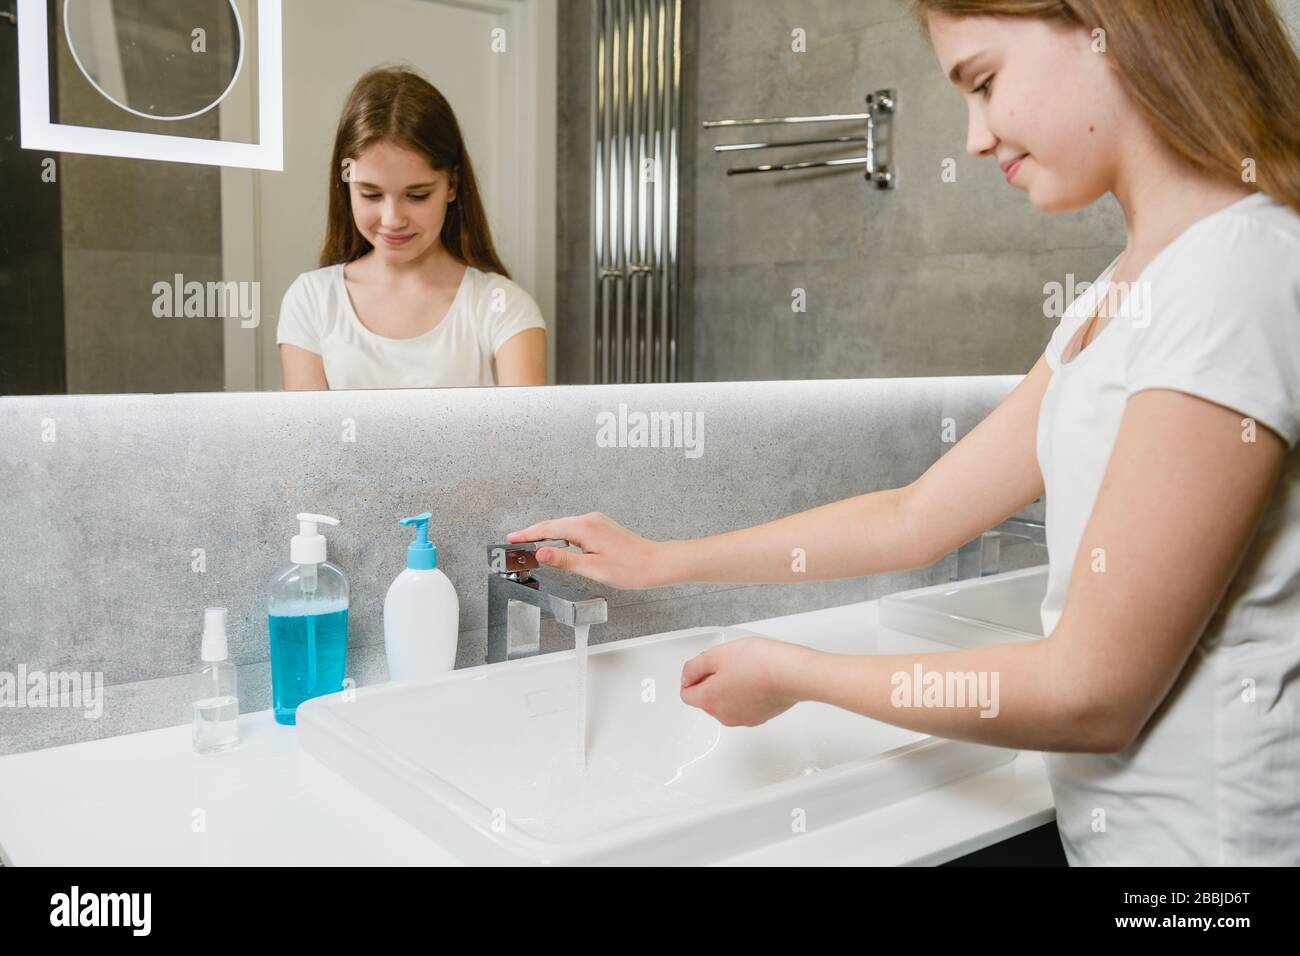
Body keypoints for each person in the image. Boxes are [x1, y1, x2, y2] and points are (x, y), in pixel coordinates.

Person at [508, 0, 1300, 865]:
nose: (974, 137)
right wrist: (667, 558)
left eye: (986, 82)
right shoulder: (1125, 290)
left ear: (1114, 27)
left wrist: (801, 675)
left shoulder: (1234, 274)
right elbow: (914, 516)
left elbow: (1090, 692)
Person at [277, 67, 546, 389]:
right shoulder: (311, 299)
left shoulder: (502, 306)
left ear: (452, 185)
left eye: (417, 195)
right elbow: (310, 437)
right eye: (371, 194)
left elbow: (524, 437)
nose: (393, 219)